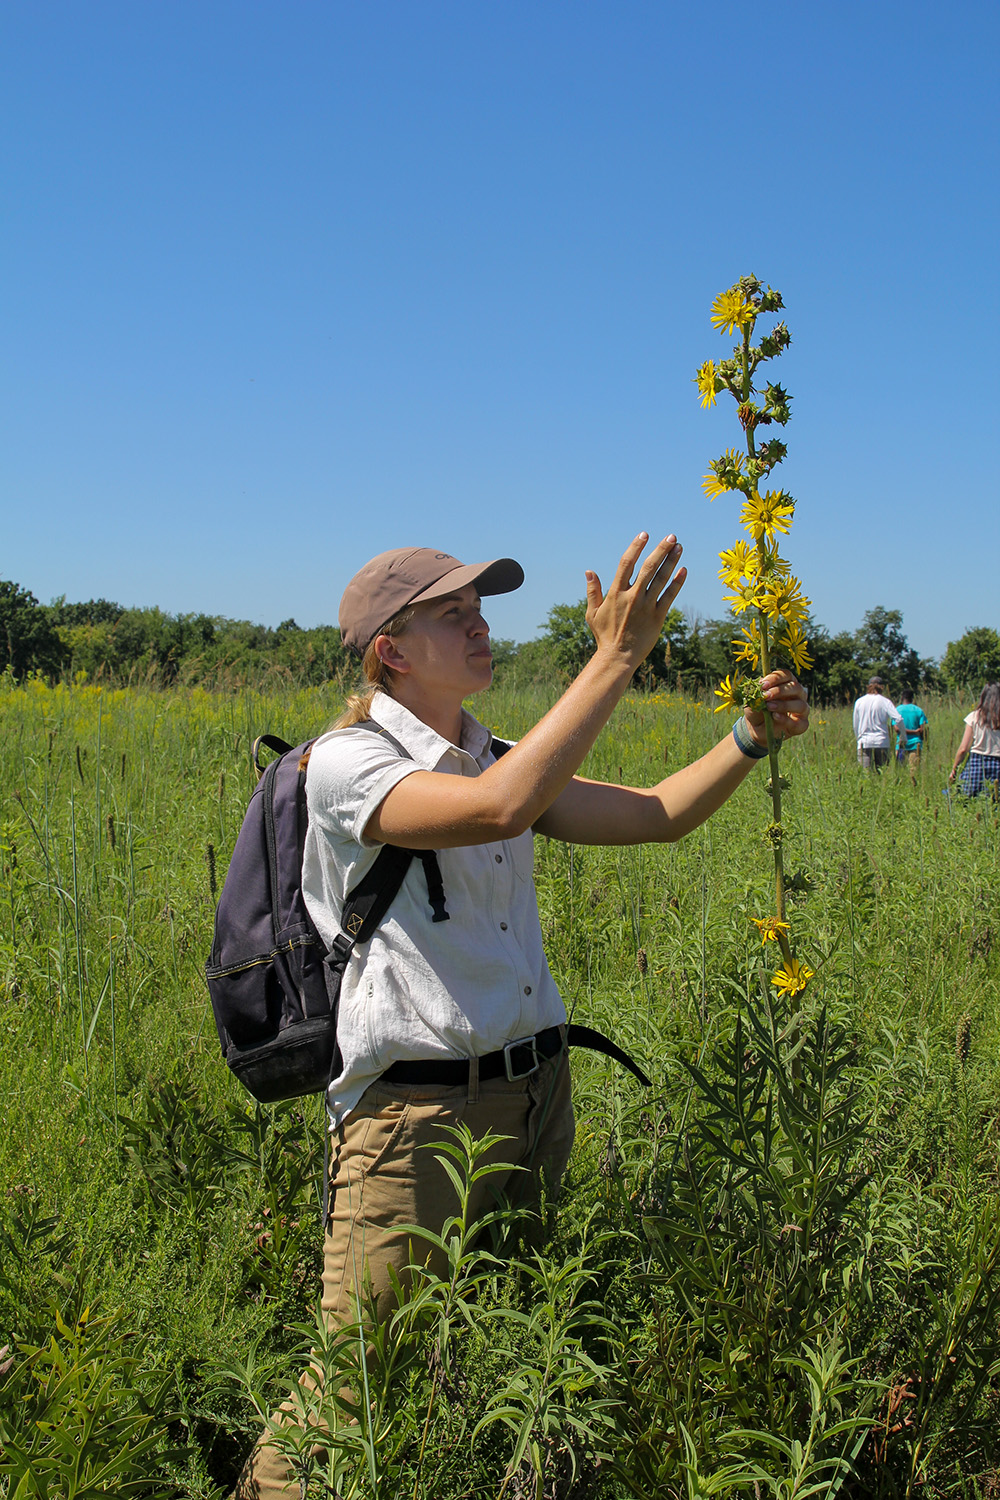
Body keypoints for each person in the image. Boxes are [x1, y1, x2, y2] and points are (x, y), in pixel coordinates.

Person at [235, 533, 810, 1498]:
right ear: (391, 651)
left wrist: (750, 737)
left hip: (536, 1096)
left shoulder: (493, 756)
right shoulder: (344, 767)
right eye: (451, 613)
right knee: (357, 1391)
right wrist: (615, 657)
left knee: (530, 1355)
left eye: (480, 606)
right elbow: (499, 807)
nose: (480, 623)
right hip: (412, 1128)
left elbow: (660, 812)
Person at [949, 682, 1000, 797]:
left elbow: (963, 749)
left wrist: (954, 769)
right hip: (998, 764)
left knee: (964, 797)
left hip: (977, 763)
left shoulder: (974, 716)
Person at [852, 677, 904, 771]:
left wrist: (858, 738)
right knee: (882, 773)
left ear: (868, 686)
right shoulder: (885, 701)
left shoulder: (859, 702)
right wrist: (903, 737)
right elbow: (899, 719)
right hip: (882, 742)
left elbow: (856, 725)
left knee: (866, 775)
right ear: (882, 687)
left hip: (864, 742)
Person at [896, 689, 928, 773]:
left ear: (902, 698)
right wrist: (915, 732)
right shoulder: (919, 710)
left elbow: (896, 729)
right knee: (913, 770)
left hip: (901, 744)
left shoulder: (897, 710)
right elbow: (922, 729)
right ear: (912, 698)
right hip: (915, 744)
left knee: (900, 770)